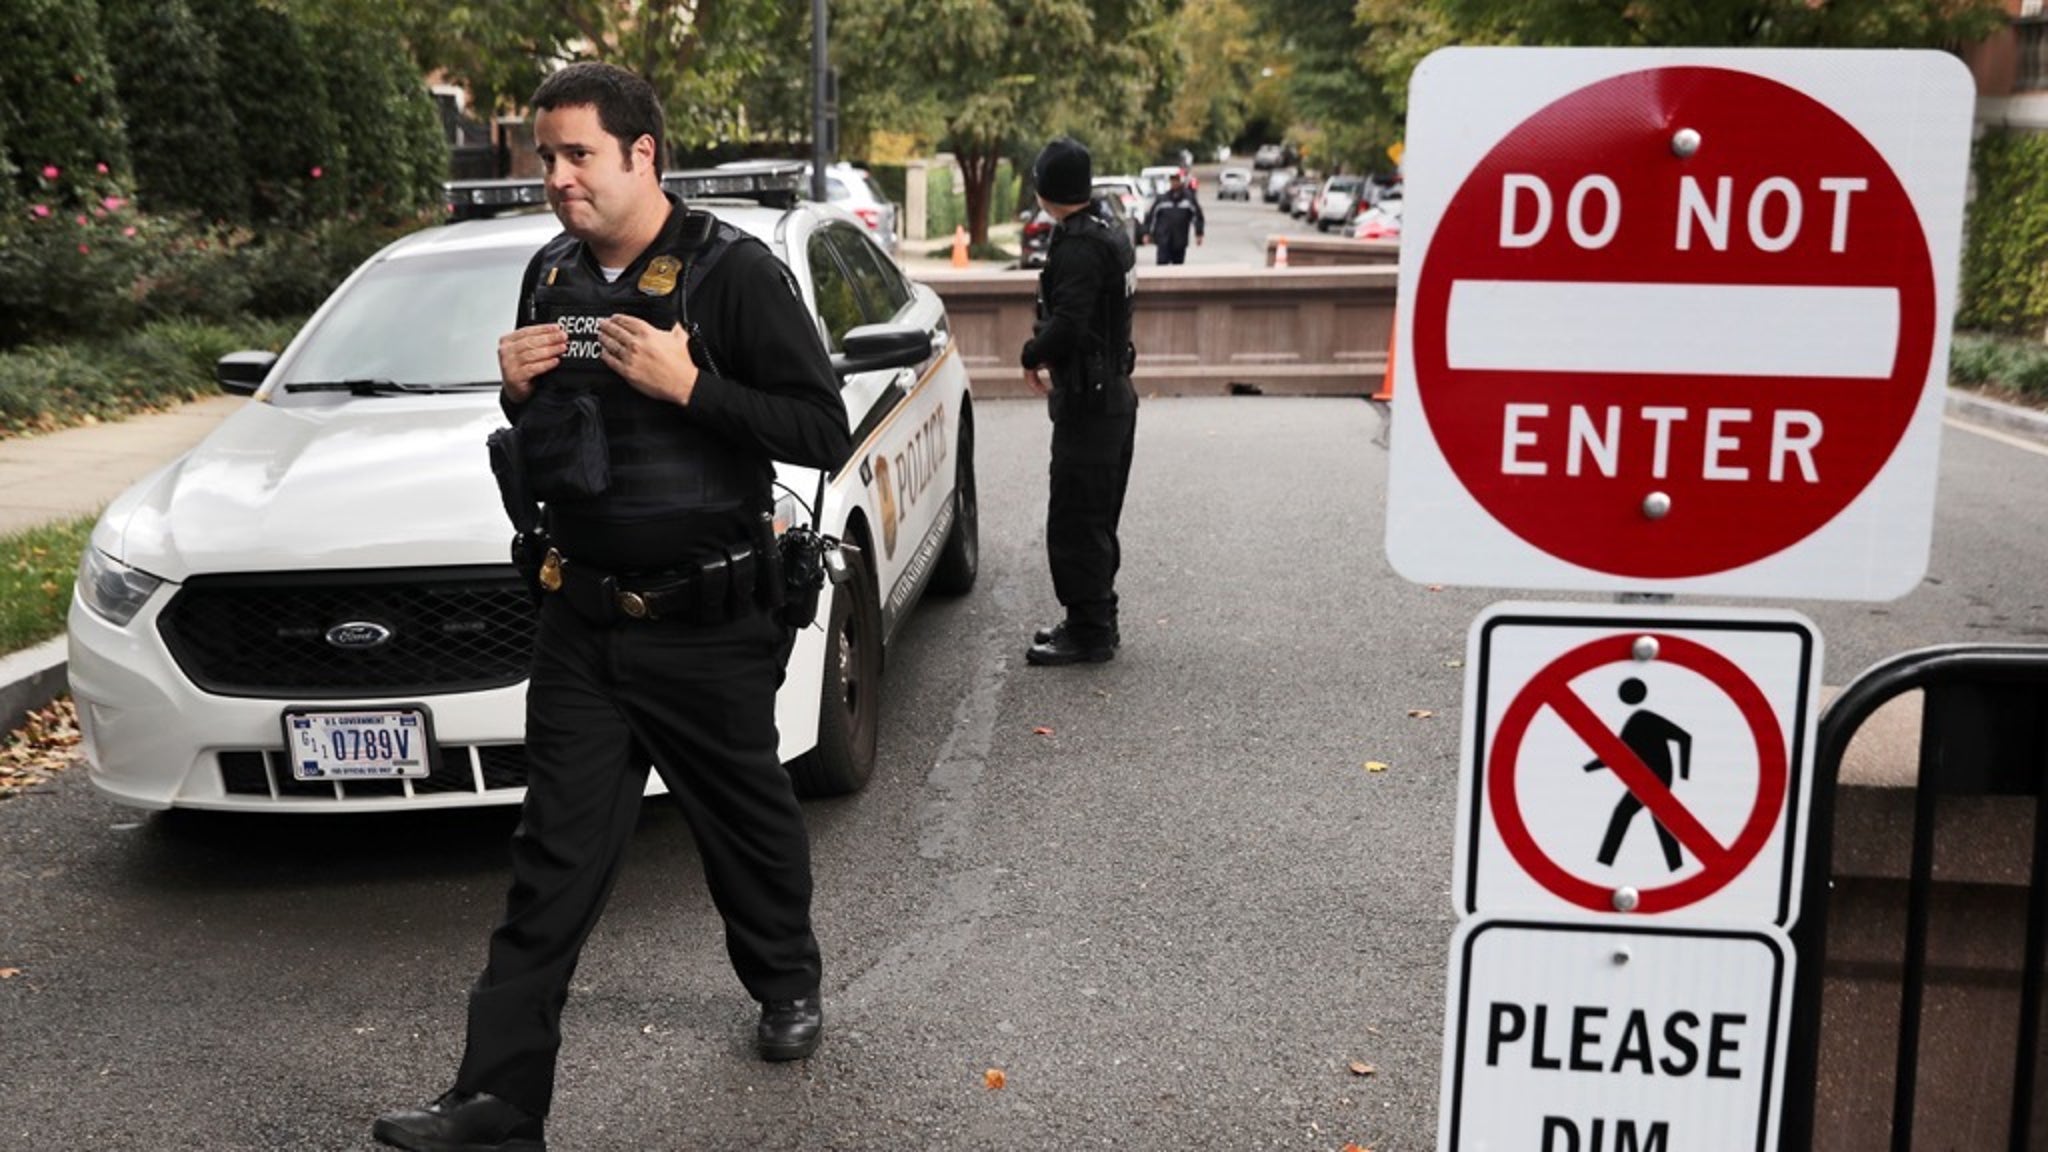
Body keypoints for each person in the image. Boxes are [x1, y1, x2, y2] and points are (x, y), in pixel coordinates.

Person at [374, 62, 851, 1152]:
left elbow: (820, 429)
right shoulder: (547, 274)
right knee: (552, 858)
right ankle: (497, 1102)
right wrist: (513, 389)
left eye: (577, 154)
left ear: (644, 154)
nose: (555, 177)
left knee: (745, 826)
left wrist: (693, 388)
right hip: (581, 620)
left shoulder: (732, 275)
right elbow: (551, 449)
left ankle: (785, 983)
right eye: (545, 157)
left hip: (707, 620)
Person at [1020, 136, 1138, 667]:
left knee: (1075, 518)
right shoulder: (1110, 233)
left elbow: (1068, 322)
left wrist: (1031, 353)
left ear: (1048, 188)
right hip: (1112, 394)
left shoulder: (1078, 248)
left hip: (1090, 403)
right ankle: (1095, 619)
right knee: (1095, 515)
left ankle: (1089, 632)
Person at [1142, 170, 1204, 266]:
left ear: (1181, 181)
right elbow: (1151, 217)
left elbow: (1197, 216)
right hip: (1163, 240)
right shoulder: (1162, 199)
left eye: (1177, 180)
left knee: (1178, 268)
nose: (1175, 183)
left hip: (1180, 240)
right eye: (1172, 180)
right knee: (1162, 267)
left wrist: (1199, 233)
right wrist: (1146, 233)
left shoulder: (1188, 199)